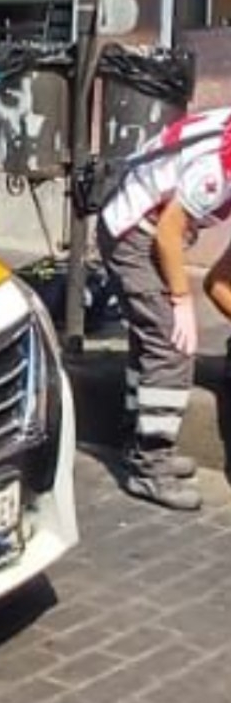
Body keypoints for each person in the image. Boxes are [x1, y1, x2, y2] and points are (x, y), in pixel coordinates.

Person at [95, 107, 231, 511]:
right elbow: (170, 234)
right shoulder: (218, 173)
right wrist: (180, 299)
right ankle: (149, 468)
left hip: (142, 223)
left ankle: (136, 441)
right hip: (134, 233)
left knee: (151, 338)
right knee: (171, 345)